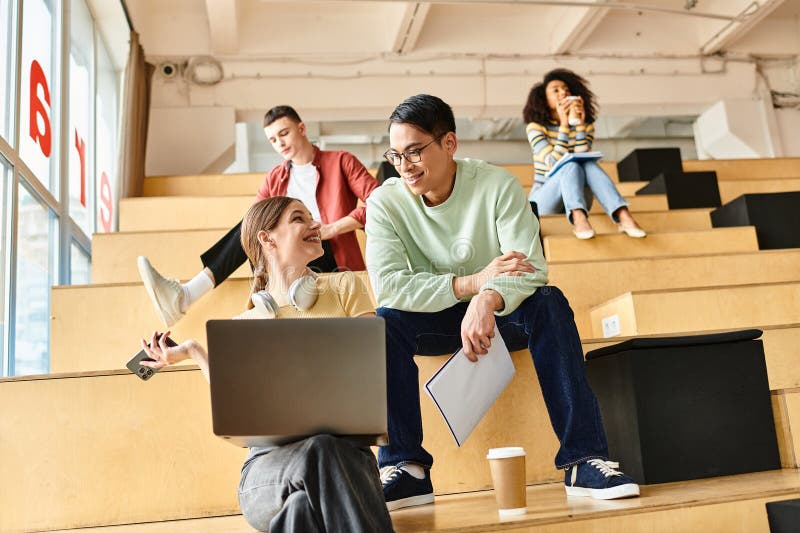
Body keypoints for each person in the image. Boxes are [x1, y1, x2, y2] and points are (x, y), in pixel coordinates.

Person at [366, 94, 640, 511]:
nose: (405, 166)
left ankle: (584, 459)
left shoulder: (496, 185)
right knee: (382, 322)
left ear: (449, 143)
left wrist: (488, 298)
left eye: (416, 151)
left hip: (502, 315)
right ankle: (407, 469)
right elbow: (389, 288)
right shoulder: (384, 202)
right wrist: (473, 283)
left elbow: (530, 269)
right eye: (397, 155)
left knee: (548, 302)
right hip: (432, 320)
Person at [139, 196, 394, 533]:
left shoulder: (346, 286)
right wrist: (193, 350)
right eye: (299, 218)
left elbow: (373, 370)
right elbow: (237, 402)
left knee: (302, 507)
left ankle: (295, 517)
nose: (314, 225)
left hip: (347, 466)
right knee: (318, 453)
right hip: (267, 475)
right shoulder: (245, 322)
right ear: (267, 238)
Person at [137, 105, 379, 327]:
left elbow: (378, 203)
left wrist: (331, 228)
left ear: (302, 129)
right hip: (288, 257)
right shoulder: (275, 177)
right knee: (250, 226)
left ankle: (188, 294)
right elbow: (255, 223)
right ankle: (187, 295)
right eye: (273, 140)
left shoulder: (341, 161)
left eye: (284, 133)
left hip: (332, 253)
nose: (279, 143)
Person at [523, 69, 646, 240]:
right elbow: (553, 162)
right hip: (545, 197)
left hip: (577, 191)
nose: (563, 92)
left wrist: (579, 124)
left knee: (587, 163)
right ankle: (579, 217)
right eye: (556, 90)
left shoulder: (586, 126)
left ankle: (622, 214)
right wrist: (564, 125)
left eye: (566, 89)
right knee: (570, 164)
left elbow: (582, 156)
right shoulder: (535, 127)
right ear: (544, 99)